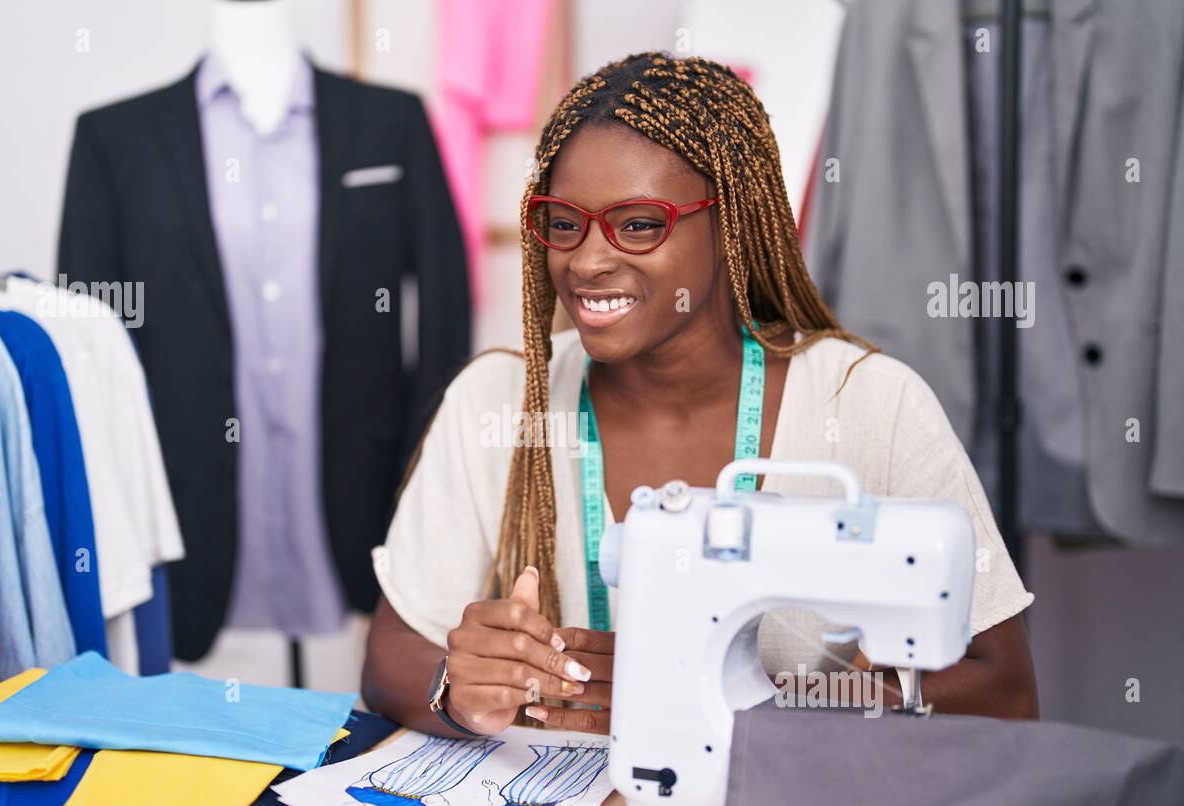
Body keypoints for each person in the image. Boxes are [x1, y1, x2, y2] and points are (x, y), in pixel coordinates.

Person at [362, 52, 1039, 737]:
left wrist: (714, 699)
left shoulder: (869, 405)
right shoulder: (497, 402)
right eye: (564, 222)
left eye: (639, 223)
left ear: (732, 227)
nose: (587, 260)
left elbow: (1003, 689)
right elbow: (390, 658)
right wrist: (457, 685)